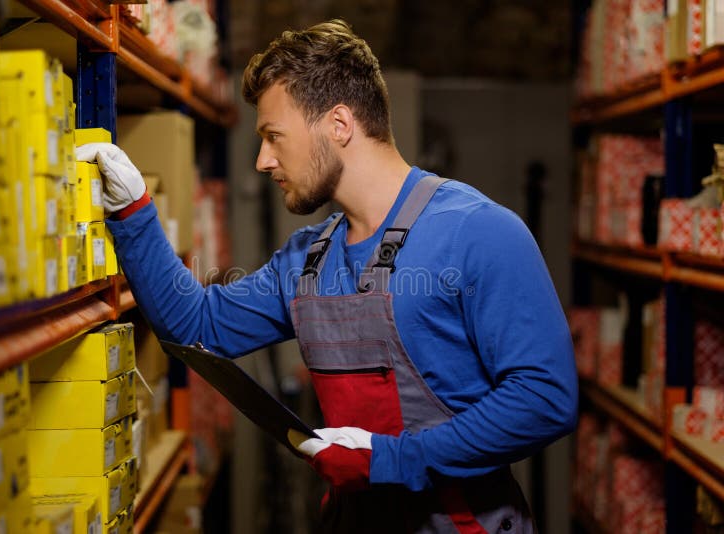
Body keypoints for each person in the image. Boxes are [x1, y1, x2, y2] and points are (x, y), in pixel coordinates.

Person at [76, 18, 578, 534]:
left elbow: (545, 399)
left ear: (339, 125)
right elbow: (195, 327)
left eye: (274, 136)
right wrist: (133, 213)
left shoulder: (478, 232)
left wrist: (389, 459)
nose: (262, 161)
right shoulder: (306, 260)